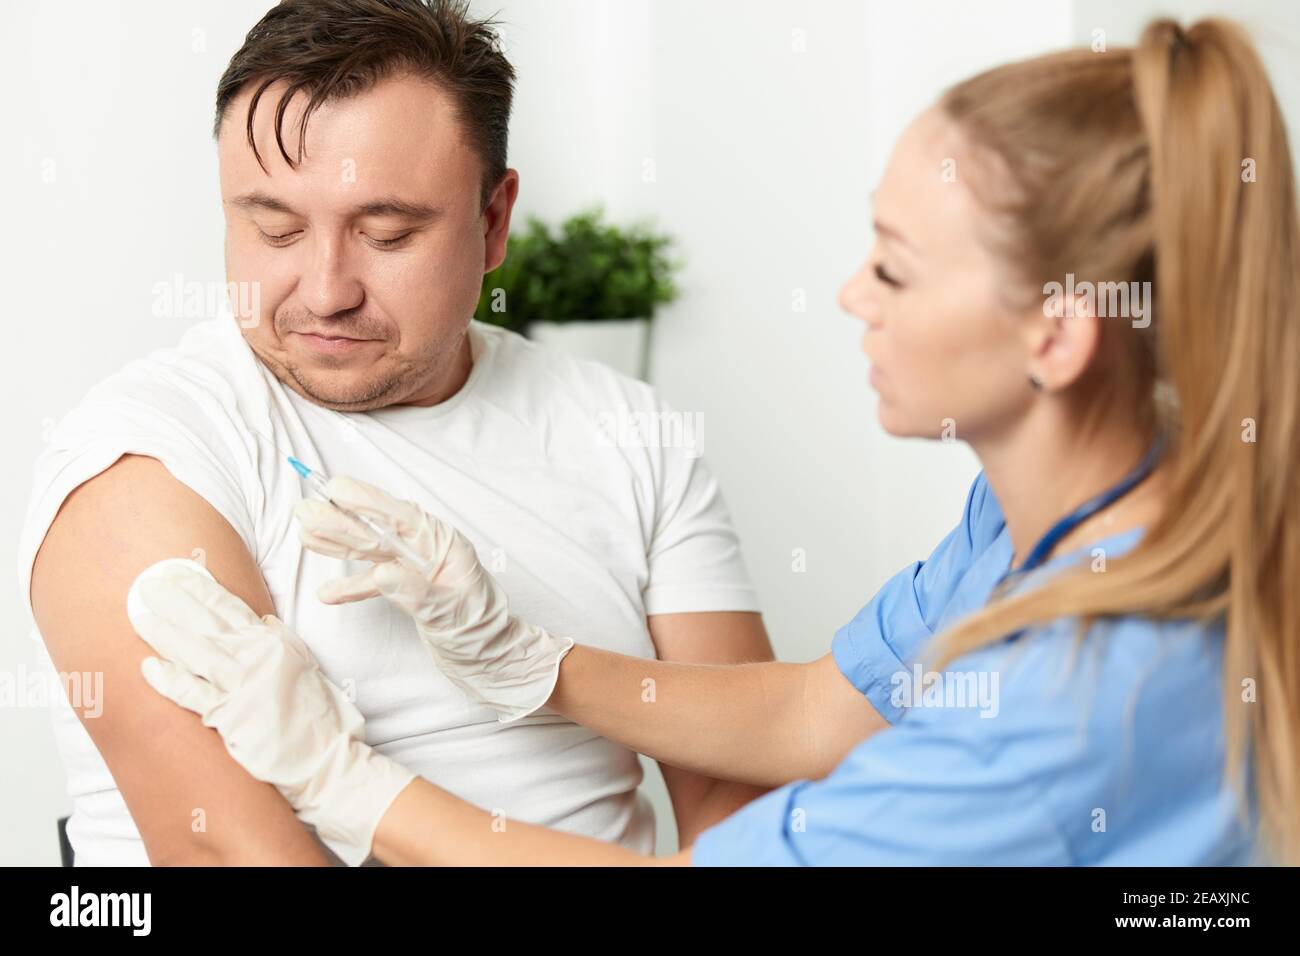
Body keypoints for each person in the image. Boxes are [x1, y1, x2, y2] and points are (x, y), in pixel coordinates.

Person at [130, 16, 1298, 865]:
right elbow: (808, 713)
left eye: (893, 265)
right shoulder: (1053, 516)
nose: (850, 293)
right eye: (272, 224)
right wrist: (530, 660)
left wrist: (342, 777)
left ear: (1058, 334)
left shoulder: (1076, 696)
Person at [21, 0, 771, 867]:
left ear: (494, 221)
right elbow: (231, 854)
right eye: (276, 228)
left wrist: (525, 667)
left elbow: (742, 790)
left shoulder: (630, 432)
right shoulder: (152, 456)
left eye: (387, 233)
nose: (327, 288)